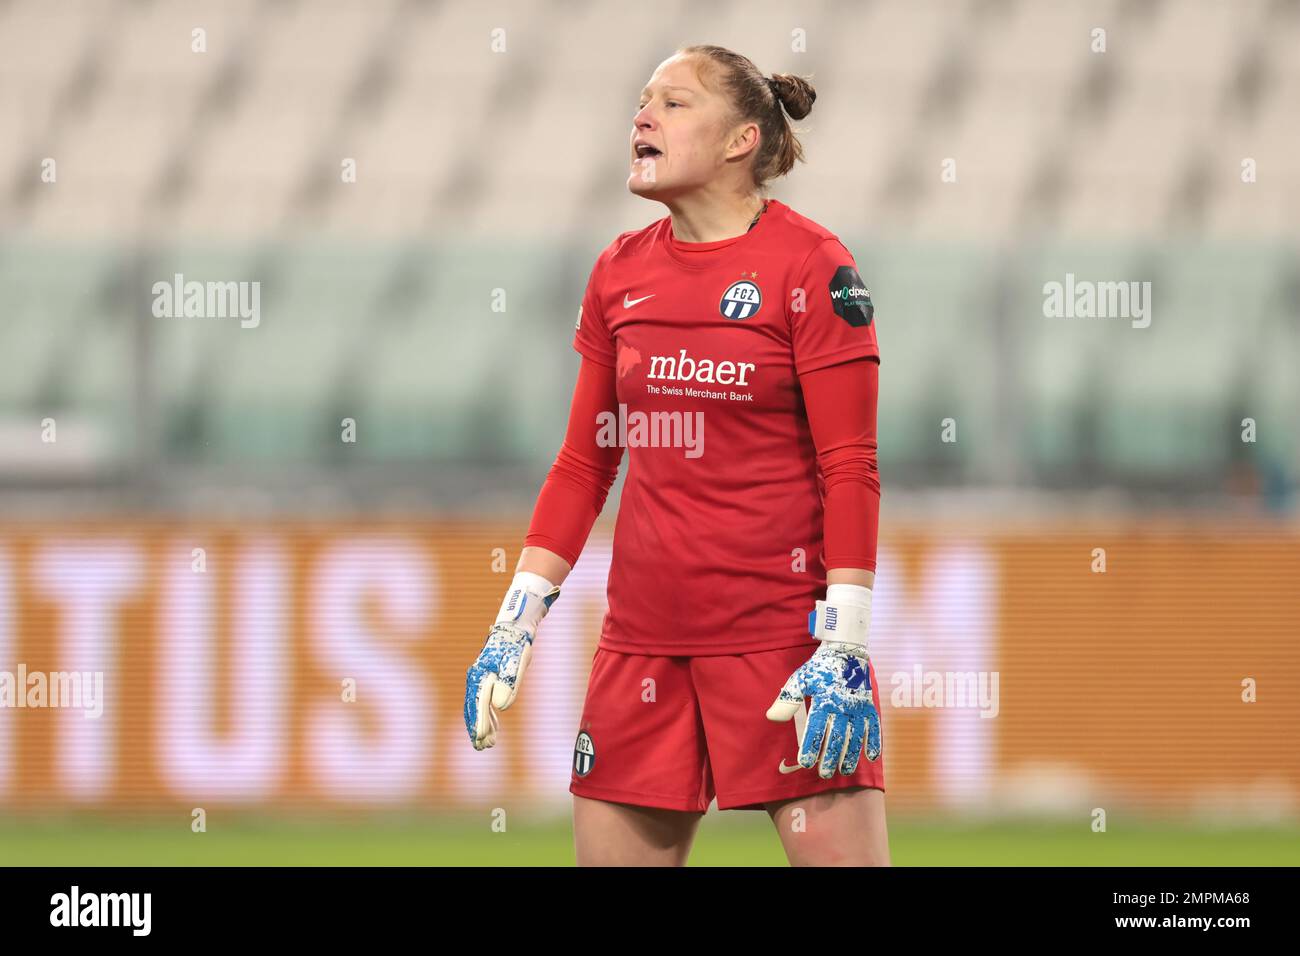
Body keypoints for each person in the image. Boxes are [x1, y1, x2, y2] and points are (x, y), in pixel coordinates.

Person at [464, 44, 887, 866]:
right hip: (642, 645)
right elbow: (587, 464)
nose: (643, 116)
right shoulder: (618, 274)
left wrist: (843, 645)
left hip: (784, 648)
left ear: (741, 141)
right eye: (642, 100)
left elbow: (852, 467)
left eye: (674, 102)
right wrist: (513, 624)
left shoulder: (814, 267)